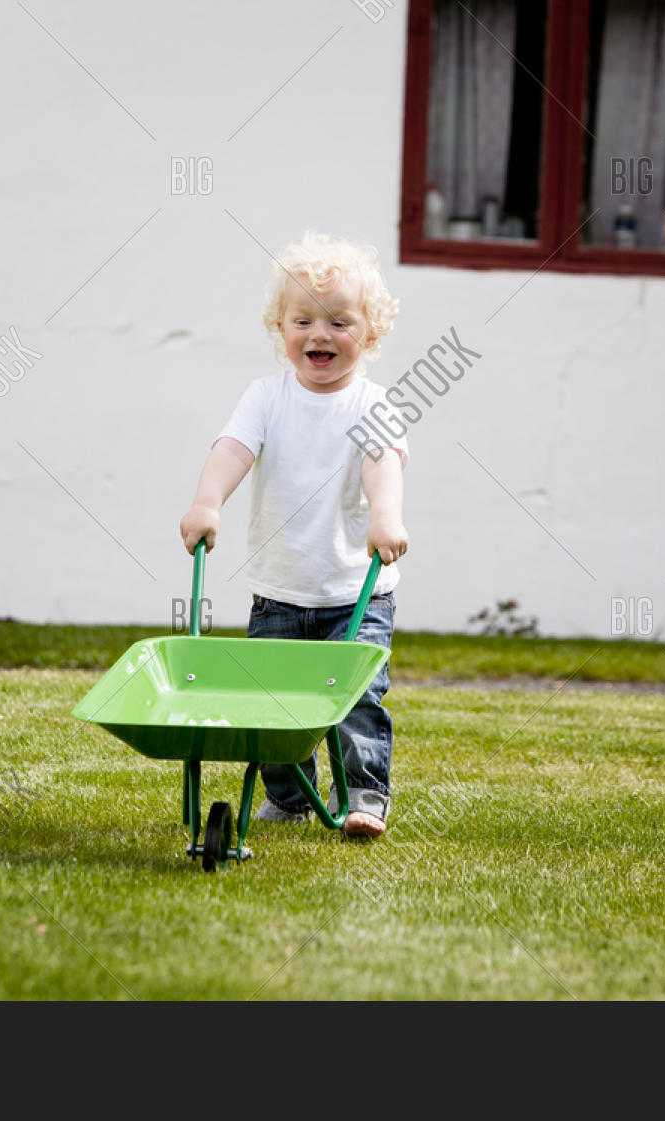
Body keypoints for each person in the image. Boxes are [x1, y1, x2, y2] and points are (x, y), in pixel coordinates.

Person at [178, 231, 409, 837]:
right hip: (280, 591)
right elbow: (232, 448)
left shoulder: (374, 405)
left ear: (371, 334)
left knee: (356, 698)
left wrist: (385, 515)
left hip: (356, 590)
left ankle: (363, 793)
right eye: (303, 319)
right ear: (280, 328)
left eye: (339, 322)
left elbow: (381, 460)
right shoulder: (265, 397)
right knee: (274, 703)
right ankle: (290, 794)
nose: (320, 334)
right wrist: (208, 501)